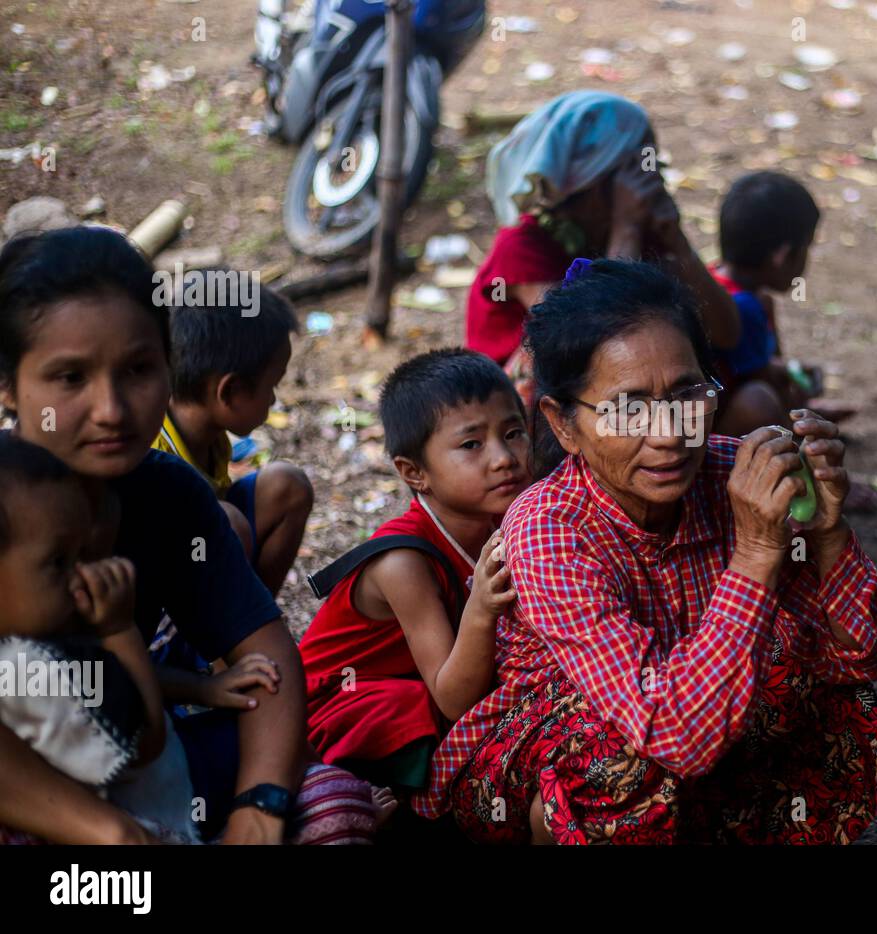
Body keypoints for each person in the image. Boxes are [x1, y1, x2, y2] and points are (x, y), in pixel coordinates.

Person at [420, 259, 877, 844]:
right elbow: (672, 733)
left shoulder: (734, 473)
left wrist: (827, 533)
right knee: (618, 763)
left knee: (813, 680)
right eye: (629, 408)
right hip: (549, 753)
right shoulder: (548, 530)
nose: (671, 433)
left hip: (695, 728)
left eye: (687, 394)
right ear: (564, 424)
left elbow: (859, 660)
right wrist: (755, 555)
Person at [0, 226, 374, 844]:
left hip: (143, 765)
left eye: (139, 369)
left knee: (334, 807)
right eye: (69, 379)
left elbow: (267, 658)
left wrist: (259, 809)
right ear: (11, 387)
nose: (113, 409)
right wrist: (104, 832)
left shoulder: (169, 493)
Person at [298, 349, 527, 810]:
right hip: (334, 710)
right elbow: (453, 700)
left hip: (427, 679)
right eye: (471, 445)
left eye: (514, 433)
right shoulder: (403, 562)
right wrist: (480, 609)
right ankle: (387, 803)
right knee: (415, 708)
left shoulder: (504, 518)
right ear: (414, 473)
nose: (504, 458)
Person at [464, 90, 741, 403]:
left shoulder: (647, 232)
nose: (652, 179)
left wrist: (677, 241)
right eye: (637, 170)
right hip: (522, 412)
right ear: (591, 181)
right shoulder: (521, 245)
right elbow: (591, 344)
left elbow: (727, 334)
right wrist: (627, 229)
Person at [0, 436, 197, 844]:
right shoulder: (31, 666)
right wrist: (119, 630)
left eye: (81, 556)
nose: (80, 579)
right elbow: (147, 741)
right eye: (58, 563)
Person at [152, 279, 312, 595]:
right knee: (227, 526)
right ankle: (220, 638)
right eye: (272, 385)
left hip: (200, 560)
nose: (273, 400)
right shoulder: (154, 455)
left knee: (288, 486)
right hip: (157, 602)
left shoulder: (210, 435)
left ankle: (254, 617)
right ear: (232, 392)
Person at [710, 171, 857, 436]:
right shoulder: (745, 308)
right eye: (807, 248)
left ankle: (803, 413)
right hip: (718, 432)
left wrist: (790, 371)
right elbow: (762, 383)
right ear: (783, 256)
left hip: (714, 407)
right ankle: (797, 429)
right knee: (761, 399)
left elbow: (752, 364)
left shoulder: (714, 280)